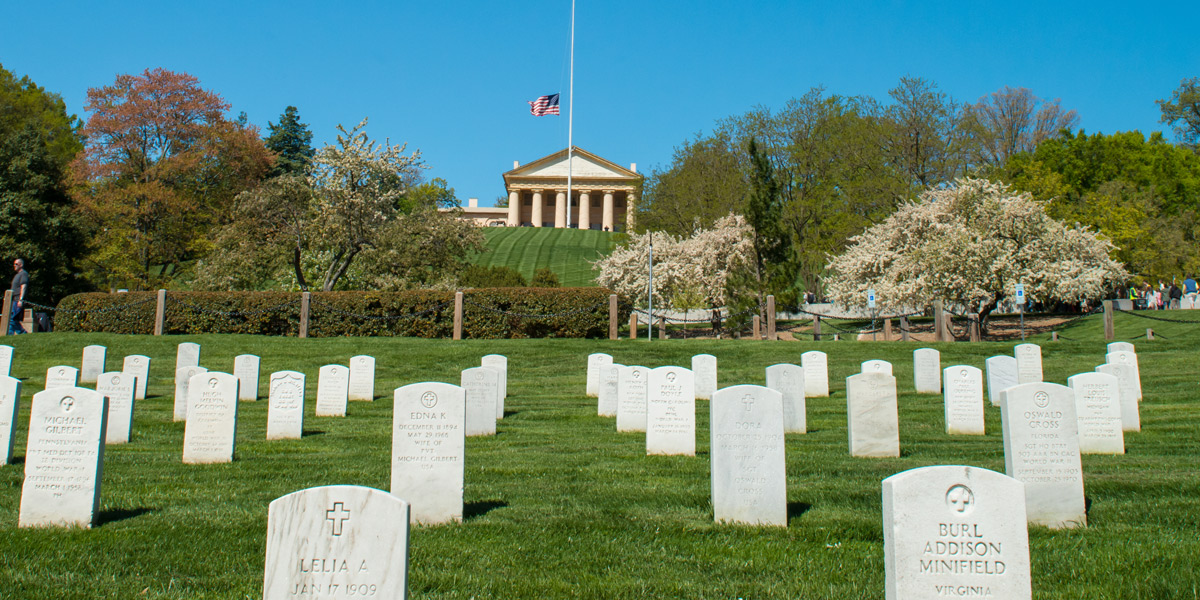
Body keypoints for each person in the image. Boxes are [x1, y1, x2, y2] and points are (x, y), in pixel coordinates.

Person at [9, 258, 28, 334]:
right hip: (13, 300)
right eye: (14, 264)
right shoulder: (17, 275)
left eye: (16, 264)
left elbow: (23, 286)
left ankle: (9, 335)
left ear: (21, 265)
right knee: (15, 319)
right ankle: (23, 333)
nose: (14, 265)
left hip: (18, 300)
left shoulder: (23, 274)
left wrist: (21, 299)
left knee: (12, 319)